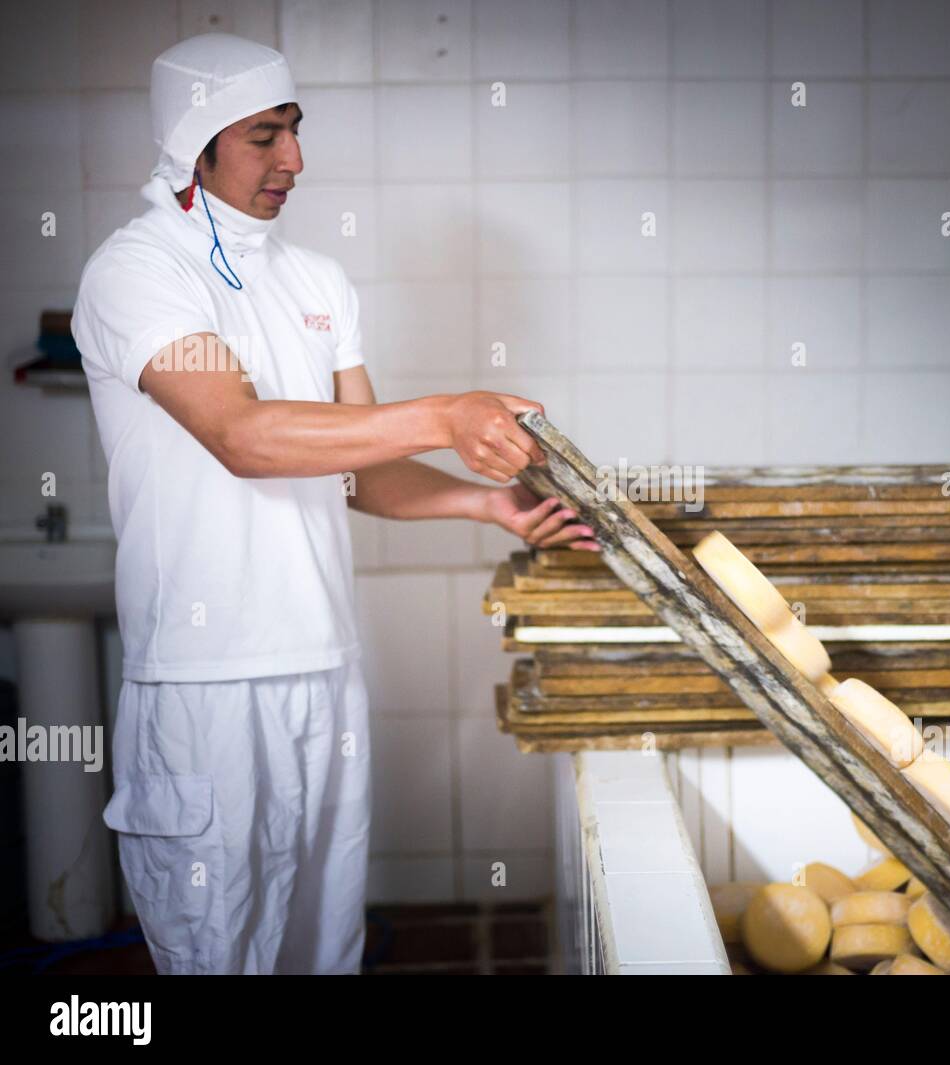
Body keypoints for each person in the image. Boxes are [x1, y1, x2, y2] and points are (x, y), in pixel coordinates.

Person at [70, 32, 597, 975]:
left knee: (322, 955)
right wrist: (443, 409)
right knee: (217, 956)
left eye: (295, 132)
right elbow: (242, 436)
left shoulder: (316, 282)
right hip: (206, 685)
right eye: (264, 137)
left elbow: (360, 468)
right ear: (195, 146)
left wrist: (491, 509)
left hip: (324, 672)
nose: (295, 161)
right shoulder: (139, 273)